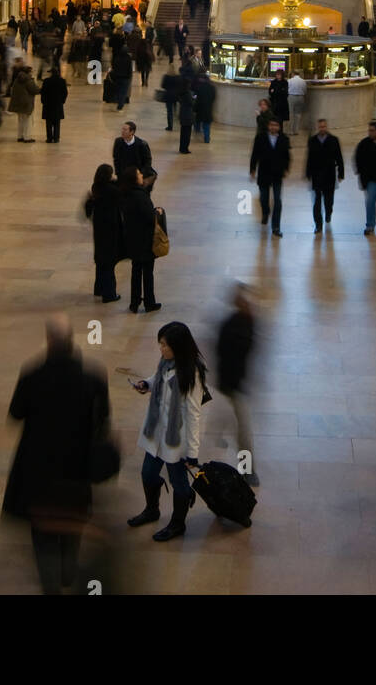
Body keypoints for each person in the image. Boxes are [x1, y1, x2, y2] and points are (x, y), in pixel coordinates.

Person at [3, 315, 109, 595]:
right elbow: (103, 420)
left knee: (43, 536)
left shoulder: (32, 375)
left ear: (49, 341)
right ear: (72, 340)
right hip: (78, 470)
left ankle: (51, 587)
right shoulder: (94, 377)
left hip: (40, 473)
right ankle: (68, 573)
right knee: (73, 526)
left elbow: (15, 413)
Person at [129, 321, 208, 541]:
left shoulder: (192, 374)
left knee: (179, 484)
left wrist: (192, 453)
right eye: (160, 344)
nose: (161, 349)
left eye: (164, 345)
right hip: (156, 432)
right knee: (147, 473)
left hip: (175, 439)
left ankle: (177, 523)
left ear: (178, 347)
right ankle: (152, 509)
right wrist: (146, 383)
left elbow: (194, 415)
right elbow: (159, 379)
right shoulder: (166, 363)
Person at [216, 284, 259, 486]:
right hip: (232, 384)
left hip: (234, 384)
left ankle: (217, 434)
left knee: (234, 422)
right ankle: (247, 471)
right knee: (241, 429)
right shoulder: (235, 324)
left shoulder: (247, 322)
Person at [121, 166, 160, 313]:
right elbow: (149, 216)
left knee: (135, 271)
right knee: (148, 273)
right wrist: (157, 212)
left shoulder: (126, 194)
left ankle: (134, 302)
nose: (141, 175)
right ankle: (149, 302)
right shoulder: (140, 195)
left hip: (133, 239)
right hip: (145, 239)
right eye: (138, 173)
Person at [84, 164, 122, 302]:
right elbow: (121, 193)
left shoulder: (96, 188)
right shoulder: (112, 191)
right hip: (110, 230)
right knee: (109, 264)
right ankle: (109, 294)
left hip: (99, 229)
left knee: (100, 261)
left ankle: (98, 288)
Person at [249, 119, 290, 236]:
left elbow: (286, 156)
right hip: (264, 173)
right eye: (271, 125)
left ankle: (276, 227)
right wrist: (252, 169)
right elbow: (255, 154)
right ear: (268, 126)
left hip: (277, 174)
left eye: (276, 125)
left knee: (278, 200)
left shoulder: (284, 139)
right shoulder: (260, 138)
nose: (273, 127)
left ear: (279, 127)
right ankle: (265, 212)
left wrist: (286, 168)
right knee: (263, 198)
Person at [305, 118, 344, 233]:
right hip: (316, 175)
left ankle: (328, 212)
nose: (322, 129)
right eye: (320, 127)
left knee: (328, 200)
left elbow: (339, 157)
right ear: (318, 127)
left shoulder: (333, 140)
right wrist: (308, 172)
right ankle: (318, 225)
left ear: (326, 127)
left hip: (329, 175)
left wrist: (341, 172)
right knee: (317, 201)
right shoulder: (312, 140)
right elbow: (309, 158)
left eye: (324, 126)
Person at [9, 62, 39, 142]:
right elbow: (35, 90)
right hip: (26, 103)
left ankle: (20, 136)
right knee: (28, 121)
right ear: (28, 72)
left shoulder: (17, 79)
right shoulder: (28, 80)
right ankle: (27, 137)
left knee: (21, 120)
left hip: (19, 103)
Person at [40, 63, 68, 144]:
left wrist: (43, 101)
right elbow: (65, 93)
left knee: (48, 122)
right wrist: (62, 101)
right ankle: (56, 138)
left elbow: (43, 92)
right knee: (57, 122)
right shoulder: (62, 81)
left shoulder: (46, 81)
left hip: (48, 105)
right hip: (58, 105)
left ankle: (49, 138)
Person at [192, 67, 216, 144]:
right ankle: (207, 138)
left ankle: (197, 130)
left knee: (198, 120)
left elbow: (198, 98)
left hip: (200, 107)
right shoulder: (212, 88)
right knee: (207, 124)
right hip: (208, 108)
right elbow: (213, 97)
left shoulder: (200, 87)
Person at [110, 41, 133, 112]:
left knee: (118, 90)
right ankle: (120, 106)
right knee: (123, 92)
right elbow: (130, 68)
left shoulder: (117, 57)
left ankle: (116, 102)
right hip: (125, 77)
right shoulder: (128, 58)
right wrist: (130, 76)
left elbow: (113, 66)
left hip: (117, 77)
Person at [287, 70, 307, 136]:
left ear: (293, 74)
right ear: (299, 74)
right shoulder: (303, 81)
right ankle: (296, 130)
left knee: (291, 114)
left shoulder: (289, 81)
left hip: (292, 97)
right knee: (298, 114)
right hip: (301, 97)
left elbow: (287, 89)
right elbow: (305, 91)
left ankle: (291, 131)